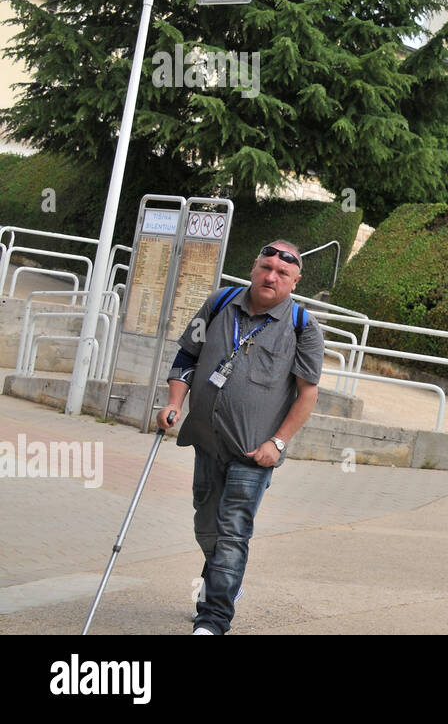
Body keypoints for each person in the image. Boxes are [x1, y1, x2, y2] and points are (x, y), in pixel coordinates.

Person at [156, 240, 324, 635]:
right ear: (253, 267)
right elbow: (187, 358)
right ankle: (225, 581)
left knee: (232, 533)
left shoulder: (303, 327)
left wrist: (277, 444)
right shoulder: (219, 303)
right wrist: (174, 403)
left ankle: (212, 620)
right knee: (206, 526)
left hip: (254, 454)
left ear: (294, 282)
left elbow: (307, 393)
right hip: (206, 441)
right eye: (266, 267)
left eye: (282, 273)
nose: (271, 277)